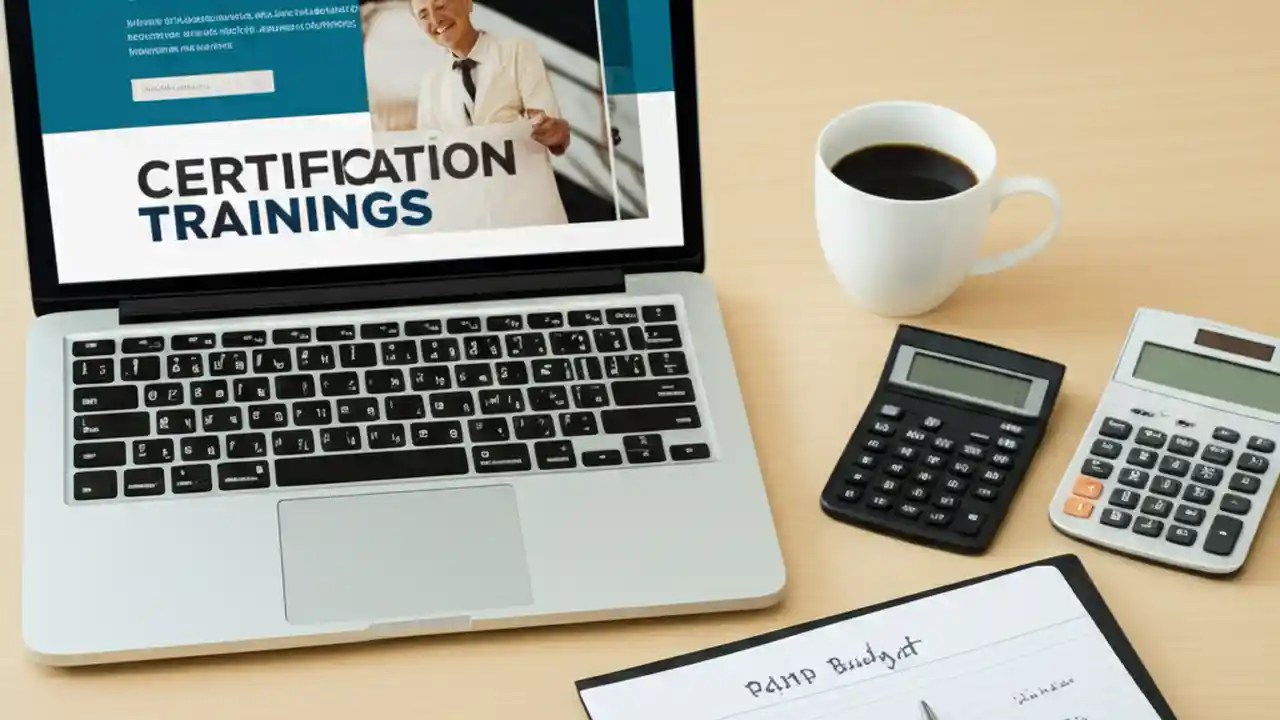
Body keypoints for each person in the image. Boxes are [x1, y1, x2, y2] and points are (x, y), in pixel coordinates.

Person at [411, 0, 571, 156]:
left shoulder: (518, 51)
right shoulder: (431, 82)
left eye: (441, 6)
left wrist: (556, 132)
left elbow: (553, 131)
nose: (435, 19)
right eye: (423, 15)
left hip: (520, 180)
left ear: (467, 3)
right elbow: (428, 153)